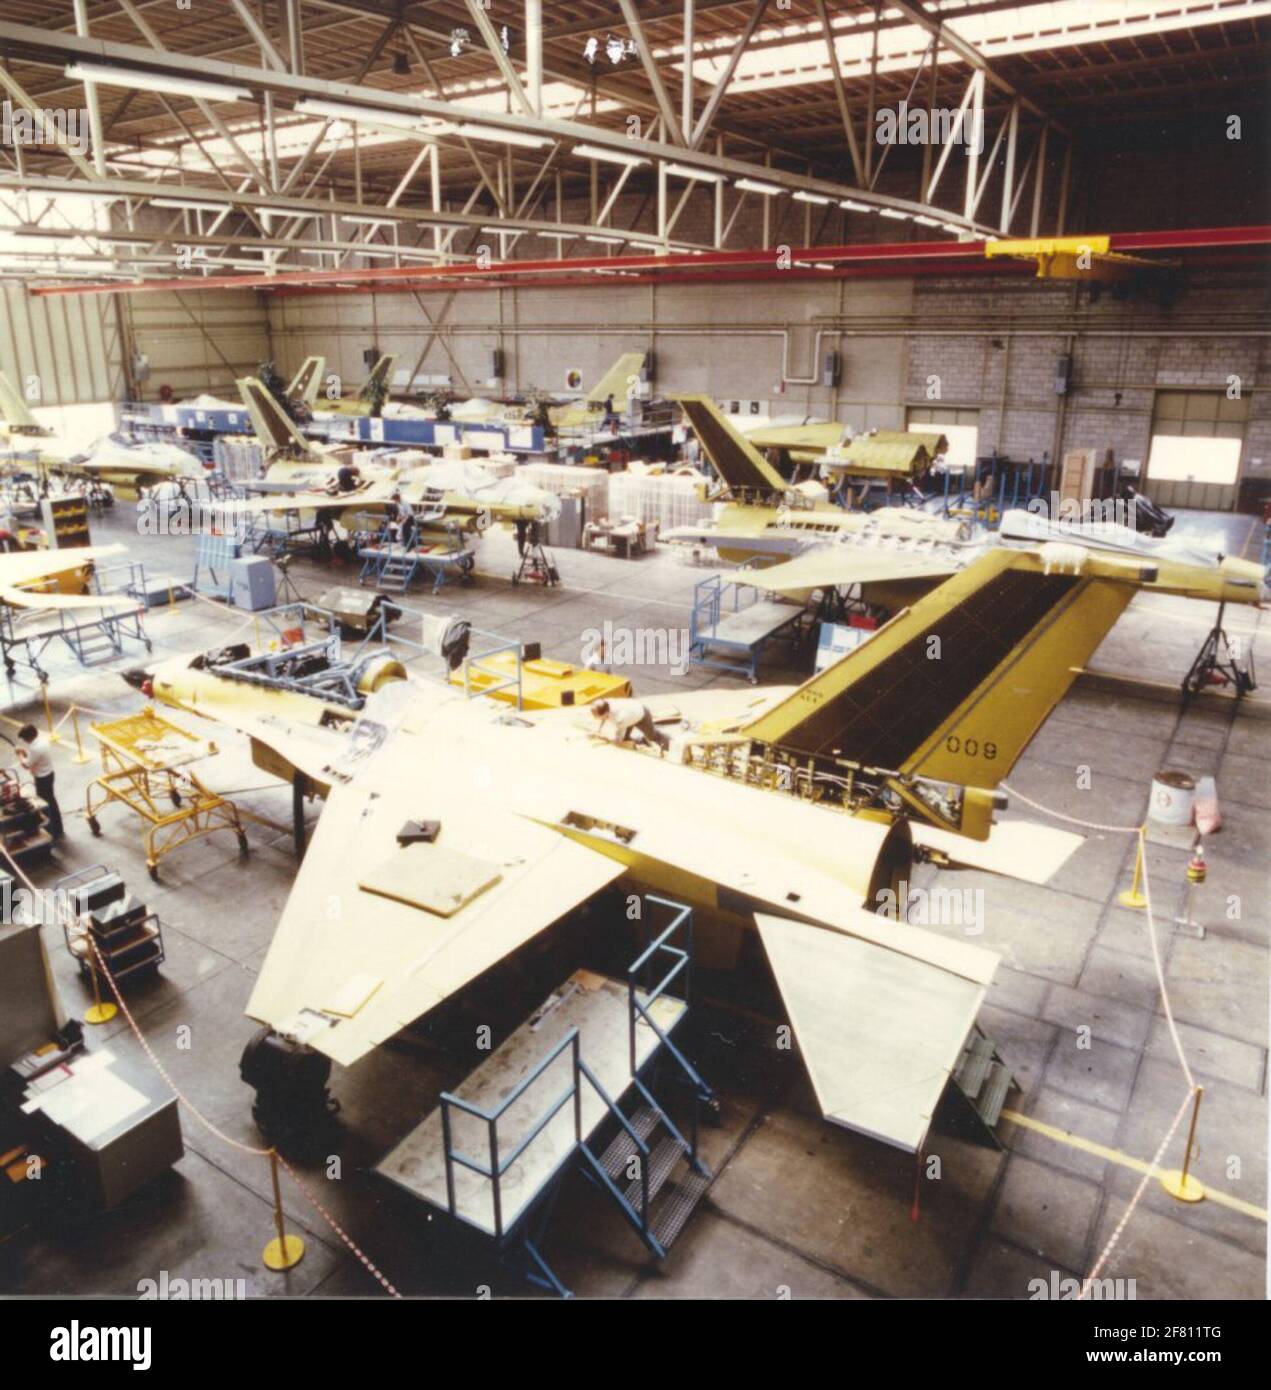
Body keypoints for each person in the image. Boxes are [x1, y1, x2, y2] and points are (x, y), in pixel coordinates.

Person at [16, 723, 62, 839]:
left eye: (25, 739)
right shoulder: (42, 741)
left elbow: (26, 764)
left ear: (29, 737)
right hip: (49, 774)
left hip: (42, 779)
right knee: (52, 801)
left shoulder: (34, 748)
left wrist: (20, 754)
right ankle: (58, 828)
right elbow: (34, 758)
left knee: (45, 805)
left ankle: (52, 830)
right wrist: (25, 752)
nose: (25, 741)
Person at [589, 698, 670, 755]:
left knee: (652, 736)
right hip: (630, 712)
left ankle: (665, 740)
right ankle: (640, 741)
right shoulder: (606, 703)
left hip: (641, 715)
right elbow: (603, 718)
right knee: (625, 739)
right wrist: (598, 730)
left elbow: (617, 740)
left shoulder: (620, 719)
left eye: (597, 716)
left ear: (605, 713)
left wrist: (606, 741)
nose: (595, 718)